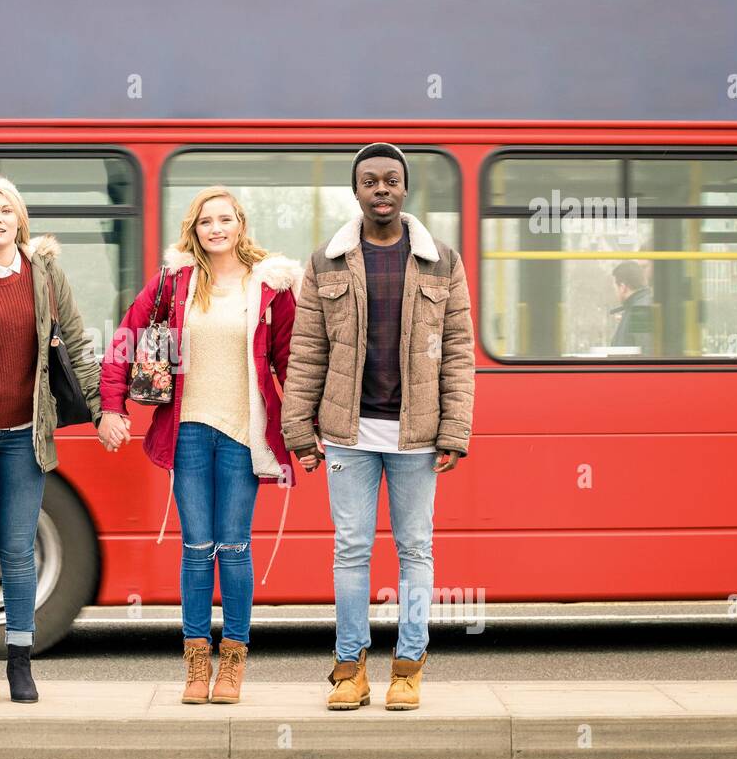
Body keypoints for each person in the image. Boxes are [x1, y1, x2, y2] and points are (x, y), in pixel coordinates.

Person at [281, 143, 475, 712]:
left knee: (416, 549)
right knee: (351, 550)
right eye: (371, 181)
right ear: (357, 191)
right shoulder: (326, 262)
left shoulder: (443, 260)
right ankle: (350, 669)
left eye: (392, 180)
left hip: (417, 434)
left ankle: (409, 667)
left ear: (405, 189)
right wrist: (299, 428)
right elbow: (307, 350)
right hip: (348, 434)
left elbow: (459, 352)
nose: (382, 189)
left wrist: (454, 430)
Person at [101, 186, 300, 704]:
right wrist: (111, 405)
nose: (216, 228)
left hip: (242, 434)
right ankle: (194, 664)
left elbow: (292, 363)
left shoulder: (270, 288)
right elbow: (126, 337)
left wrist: (306, 426)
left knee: (233, 546)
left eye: (225, 219)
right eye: (206, 221)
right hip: (188, 429)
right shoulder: (174, 282)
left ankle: (232, 662)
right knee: (195, 548)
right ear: (195, 228)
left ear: (240, 224)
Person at [0, 176, 121, 704]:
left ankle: (19, 662)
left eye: (5, 211)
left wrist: (104, 409)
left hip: (24, 438)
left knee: (17, 551)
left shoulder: (44, 275)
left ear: (20, 221)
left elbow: (77, 345)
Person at [610, 260, 654, 354]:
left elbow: (647, 354)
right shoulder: (636, 308)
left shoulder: (640, 312)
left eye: (615, 288)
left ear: (622, 287)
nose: (615, 293)